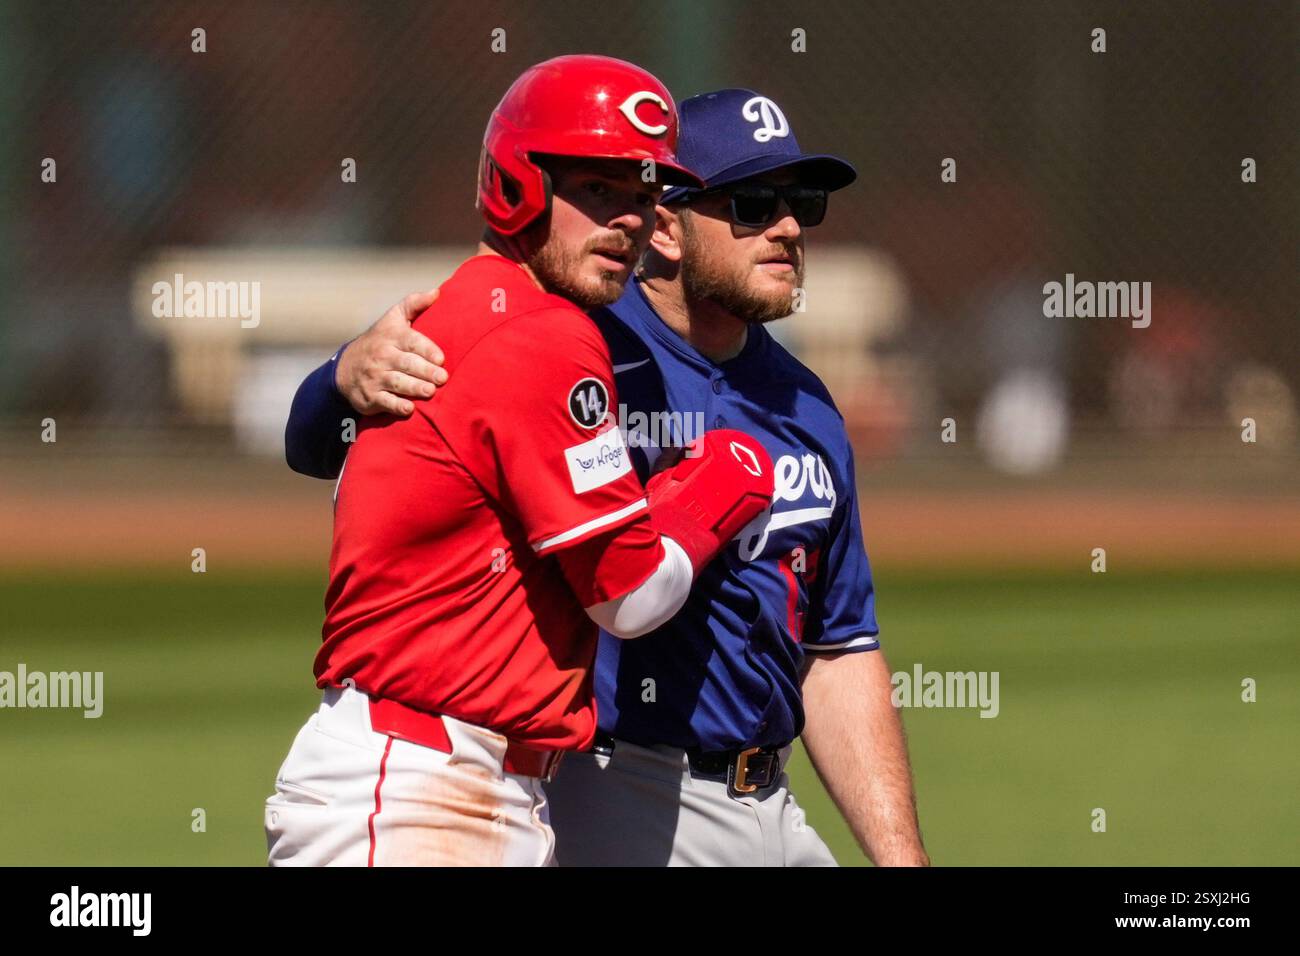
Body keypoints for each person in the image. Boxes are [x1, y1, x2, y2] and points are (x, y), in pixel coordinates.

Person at [285, 89, 929, 867]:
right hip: (611, 791)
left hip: (766, 803)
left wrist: (900, 859)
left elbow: (838, 647)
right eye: (754, 202)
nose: (788, 227)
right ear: (668, 227)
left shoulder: (806, 407)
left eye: (805, 203)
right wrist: (343, 374)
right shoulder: (562, 342)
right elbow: (317, 438)